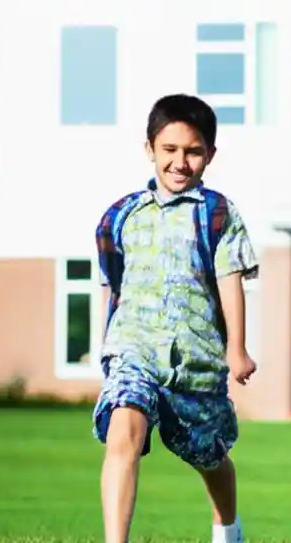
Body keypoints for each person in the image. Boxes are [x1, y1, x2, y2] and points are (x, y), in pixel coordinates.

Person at [92, 94, 259, 543]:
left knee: (209, 455)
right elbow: (112, 283)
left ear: (210, 155)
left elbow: (230, 280)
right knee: (123, 429)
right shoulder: (120, 215)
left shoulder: (218, 213)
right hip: (133, 348)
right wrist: (105, 343)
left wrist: (237, 348)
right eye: (169, 150)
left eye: (193, 151)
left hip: (195, 361)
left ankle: (227, 527)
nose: (180, 162)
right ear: (150, 148)